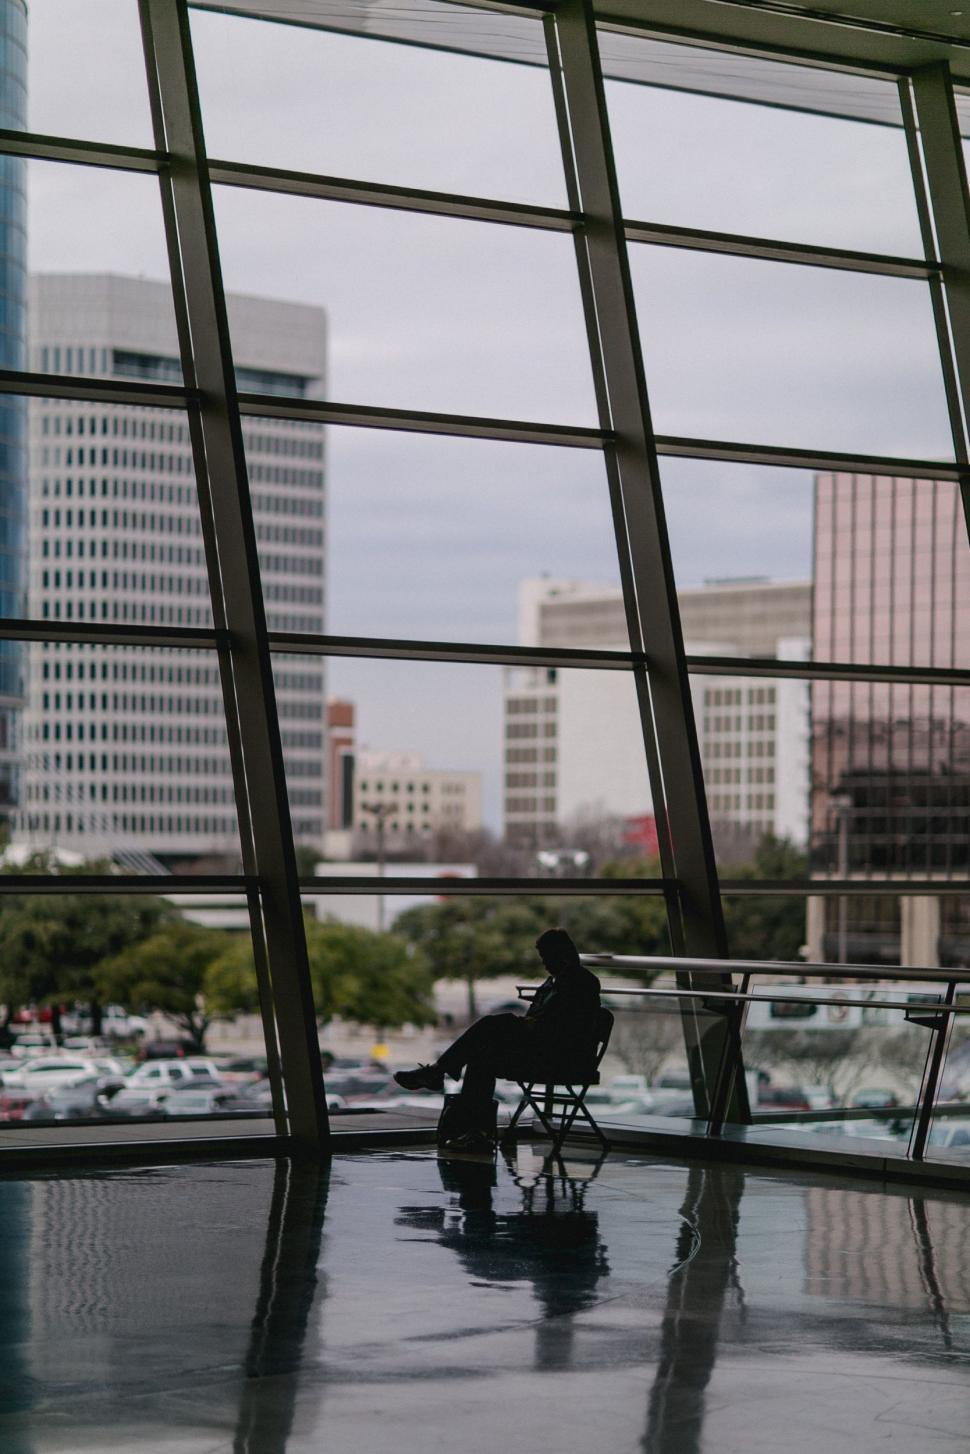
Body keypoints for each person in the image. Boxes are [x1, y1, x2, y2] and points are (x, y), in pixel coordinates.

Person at [393, 927, 601, 1112]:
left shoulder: (582, 983)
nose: (544, 963)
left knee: (492, 1025)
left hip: (561, 1058)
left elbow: (569, 1029)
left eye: (547, 957)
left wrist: (528, 1026)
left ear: (561, 955)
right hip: (541, 1050)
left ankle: (439, 1074)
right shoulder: (556, 982)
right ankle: (472, 1127)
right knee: (481, 1054)